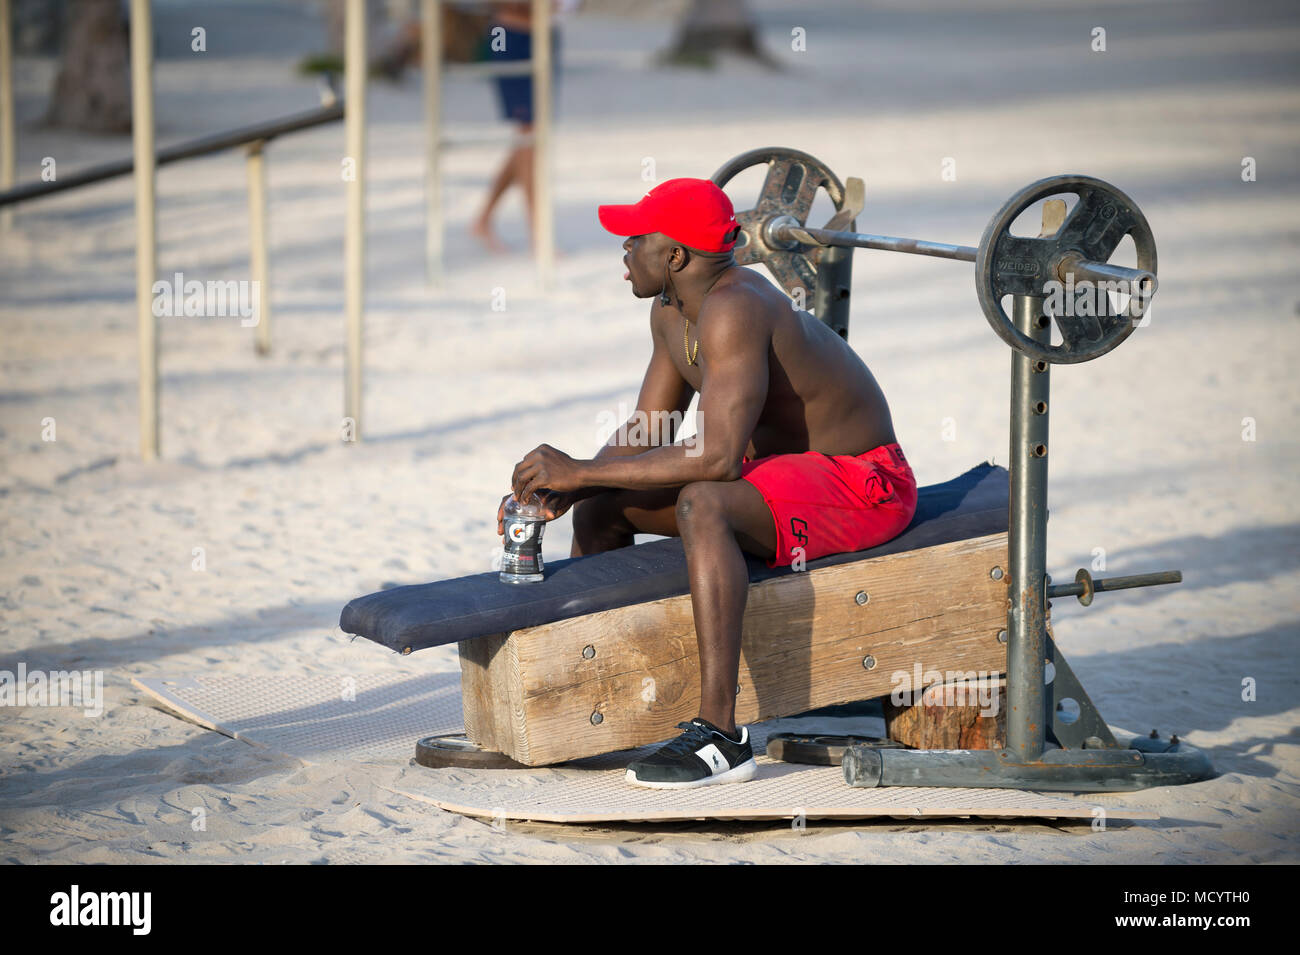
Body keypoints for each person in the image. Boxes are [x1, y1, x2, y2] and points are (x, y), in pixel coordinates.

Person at [496, 177, 918, 789]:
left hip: (865, 482)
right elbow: (649, 427)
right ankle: (596, 699)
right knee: (601, 510)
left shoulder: (737, 307)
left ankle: (723, 735)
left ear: (675, 256)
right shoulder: (671, 311)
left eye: (633, 240)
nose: (623, 252)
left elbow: (718, 459)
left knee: (704, 504)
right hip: (781, 478)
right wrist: (575, 486)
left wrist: (583, 470)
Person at [471, 1, 568, 252]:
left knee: (530, 137)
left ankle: (484, 219)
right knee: (528, 135)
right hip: (510, 35)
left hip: (545, 35)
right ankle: (538, 233)